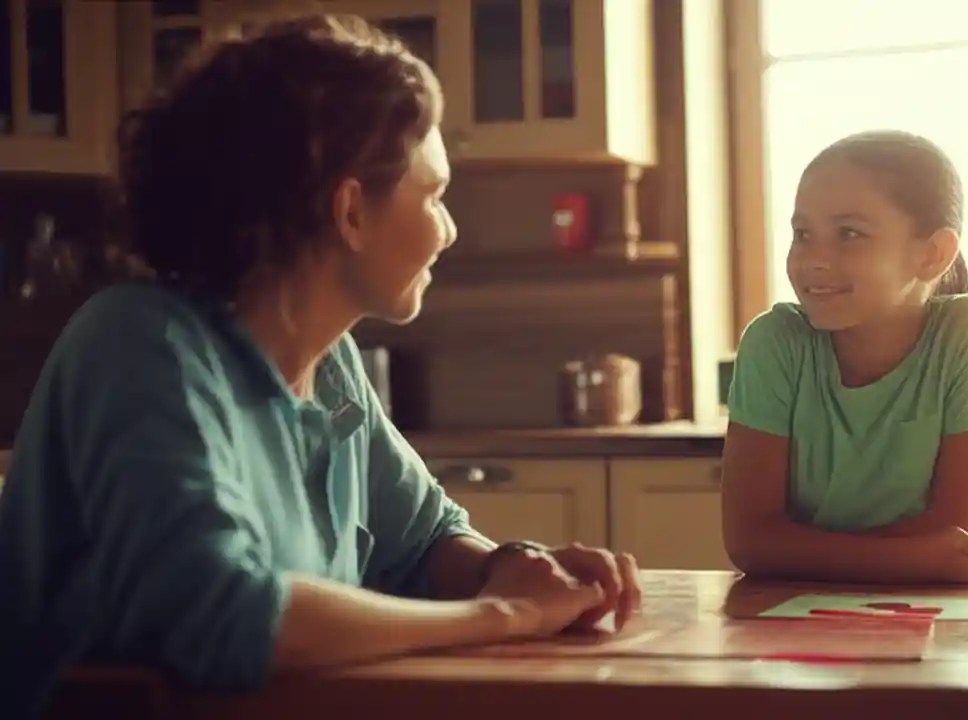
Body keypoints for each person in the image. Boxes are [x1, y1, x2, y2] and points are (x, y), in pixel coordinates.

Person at [0, 16, 640, 718]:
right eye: (434, 195)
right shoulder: (137, 345)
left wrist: (508, 564)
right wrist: (507, 613)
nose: (449, 229)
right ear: (351, 212)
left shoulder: (330, 363)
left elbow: (422, 544)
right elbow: (224, 620)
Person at [721, 130, 968, 584]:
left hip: (931, 625)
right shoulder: (774, 342)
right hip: (784, 627)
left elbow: (959, 537)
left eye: (849, 234)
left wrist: (802, 552)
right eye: (803, 233)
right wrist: (915, 557)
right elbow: (750, 541)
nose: (813, 260)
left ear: (933, 254)